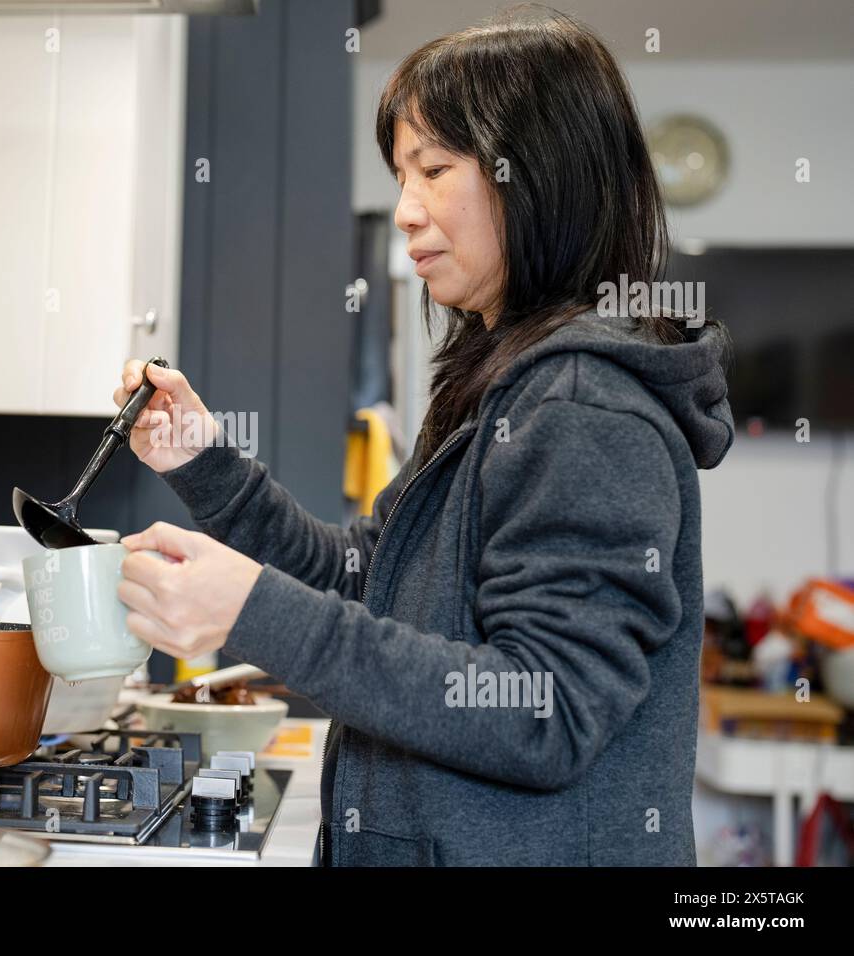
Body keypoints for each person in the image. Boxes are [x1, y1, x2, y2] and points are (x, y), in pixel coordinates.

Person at [111, 5, 732, 866]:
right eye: (402, 175)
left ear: (539, 176)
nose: (404, 211)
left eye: (434, 168)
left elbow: (540, 710)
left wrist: (250, 610)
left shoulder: (584, 408)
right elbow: (359, 579)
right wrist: (206, 464)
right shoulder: (501, 390)